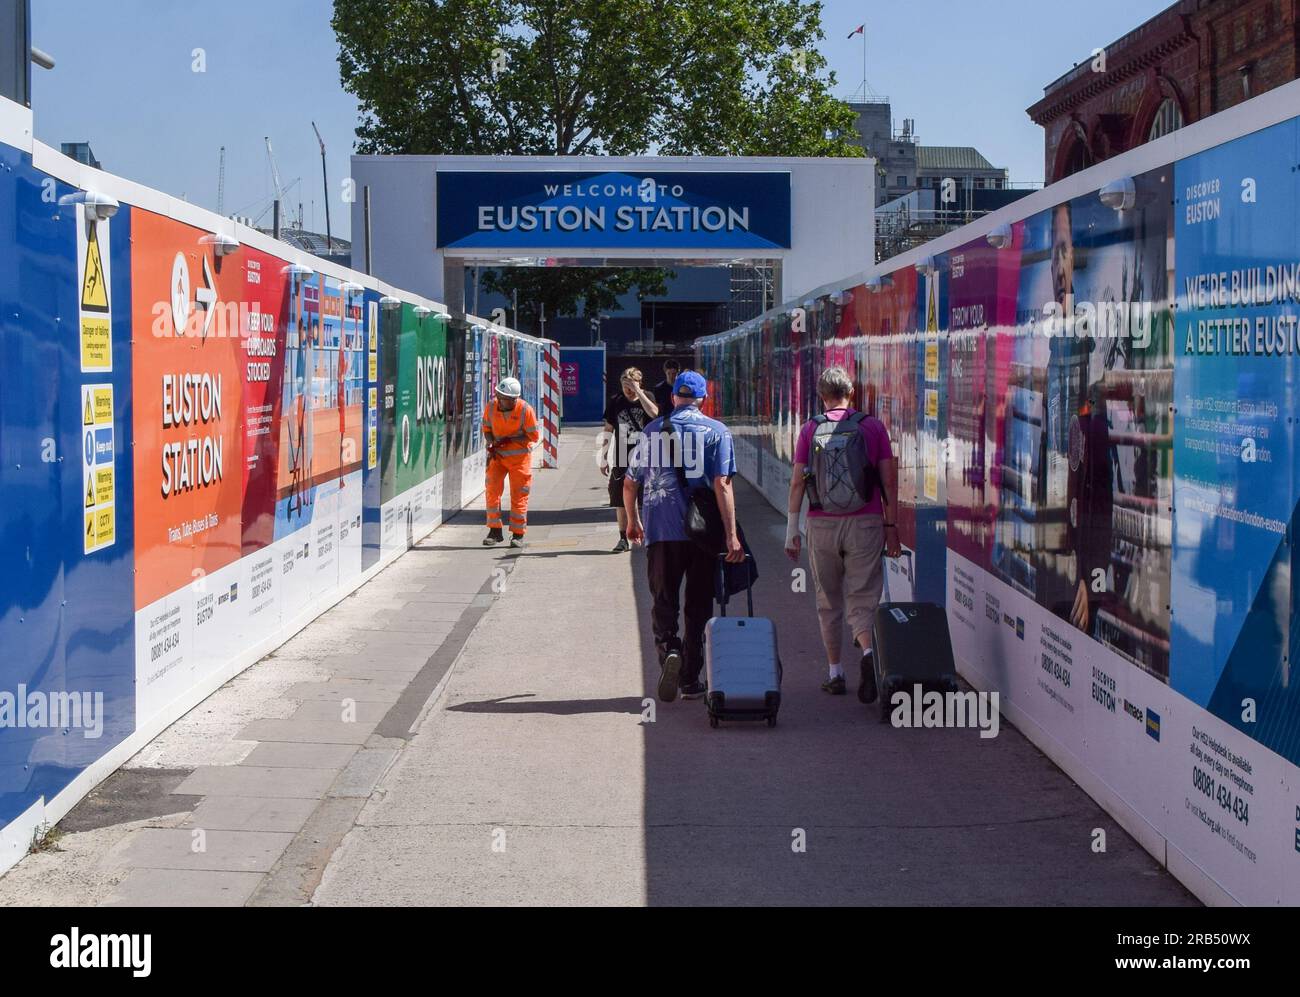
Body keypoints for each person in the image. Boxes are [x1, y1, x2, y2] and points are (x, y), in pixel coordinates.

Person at [626, 370, 744, 702]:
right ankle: (691, 679)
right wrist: (731, 536)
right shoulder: (718, 432)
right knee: (698, 604)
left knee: (663, 600)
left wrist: (632, 522)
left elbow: (629, 482)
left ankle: (670, 652)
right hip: (703, 532)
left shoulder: (650, 431)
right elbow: (722, 485)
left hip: (661, 530)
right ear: (703, 399)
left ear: (674, 397)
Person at [784, 366, 899, 703]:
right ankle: (867, 654)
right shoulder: (872, 426)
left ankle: (835, 672)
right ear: (852, 393)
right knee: (863, 597)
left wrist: (792, 531)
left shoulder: (810, 429)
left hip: (821, 524)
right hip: (866, 522)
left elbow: (796, 482)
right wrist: (891, 530)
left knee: (828, 600)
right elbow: (888, 482)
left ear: (821, 396)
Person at [601, 367, 658, 553]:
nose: (627, 389)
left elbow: (655, 414)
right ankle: (623, 538)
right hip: (622, 457)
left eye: (631, 384)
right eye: (624, 384)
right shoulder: (615, 401)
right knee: (620, 500)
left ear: (639, 382)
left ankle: (650, 535)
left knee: (649, 498)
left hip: (647, 456)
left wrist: (639, 392)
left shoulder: (647, 396)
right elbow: (608, 429)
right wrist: (603, 456)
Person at [482, 376, 540, 549]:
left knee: (519, 495)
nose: (500, 401)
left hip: (519, 460)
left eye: (504, 399)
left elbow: (533, 436)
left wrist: (510, 439)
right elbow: (486, 429)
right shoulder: (491, 406)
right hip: (497, 457)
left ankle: (518, 534)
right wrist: (491, 442)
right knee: (492, 490)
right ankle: (494, 531)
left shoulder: (525, 410)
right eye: (499, 396)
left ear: (514, 399)